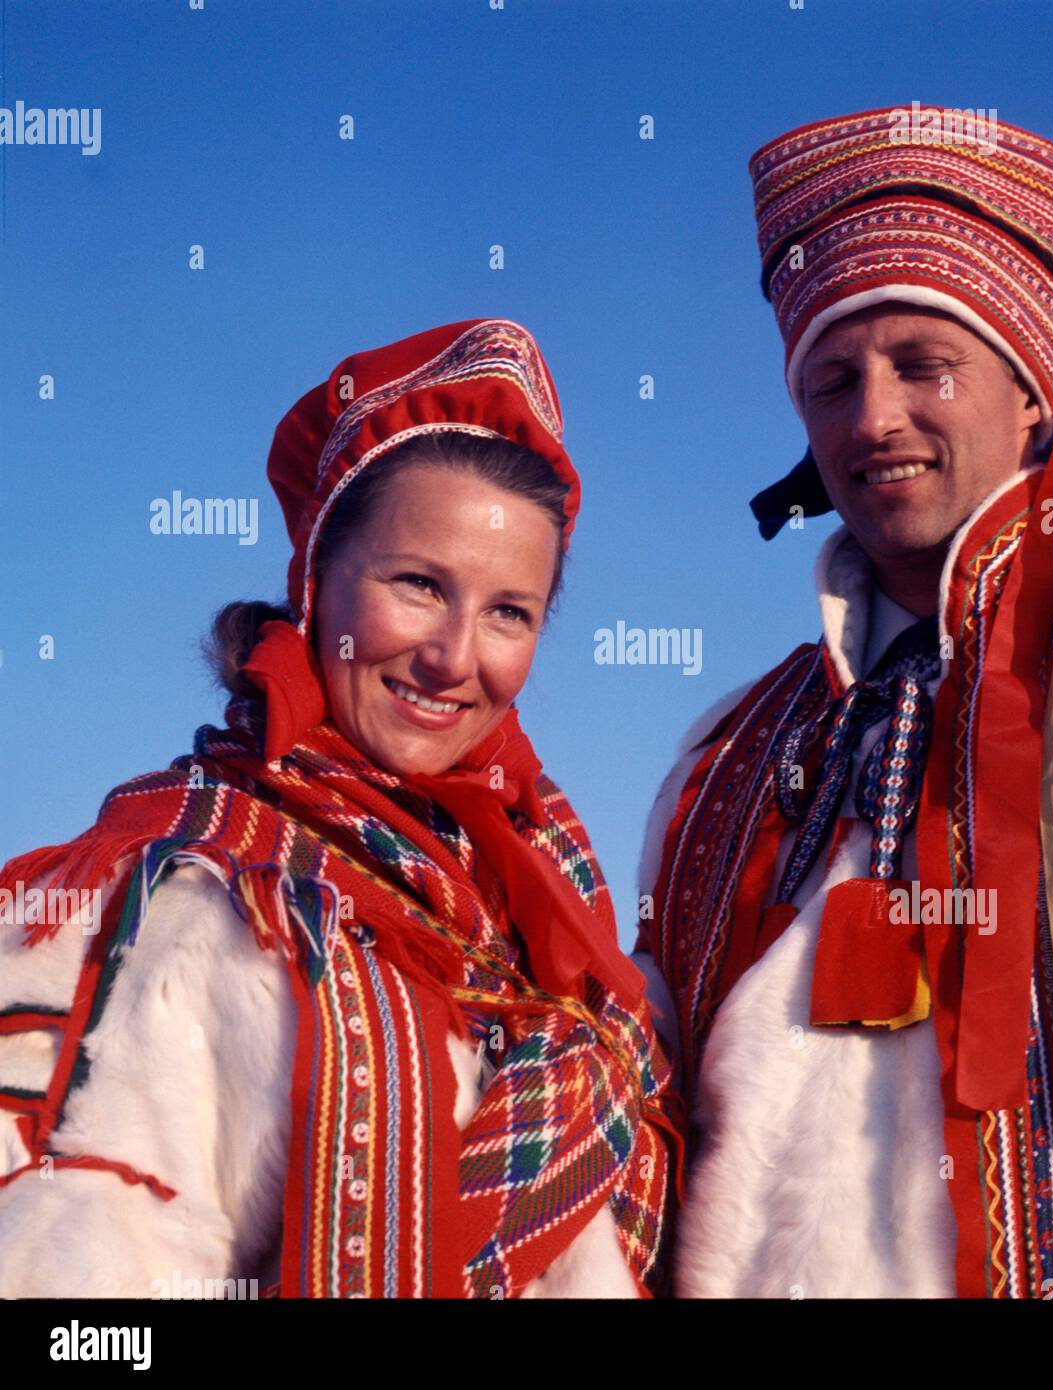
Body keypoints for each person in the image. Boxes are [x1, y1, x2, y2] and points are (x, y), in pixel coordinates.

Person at [635, 106, 1053, 1299]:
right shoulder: (725, 758)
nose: (873, 418)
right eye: (833, 380)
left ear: (1034, 396)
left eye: (923, 366)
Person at [0, 318, 676, 1299]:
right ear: (315, 585)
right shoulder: (176, 889)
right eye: (418, 584)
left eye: (508, 612)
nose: (454, 655)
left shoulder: (538, 897)